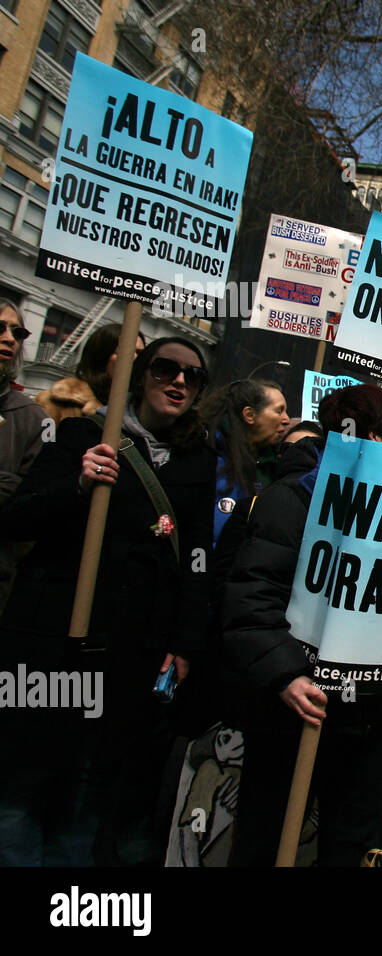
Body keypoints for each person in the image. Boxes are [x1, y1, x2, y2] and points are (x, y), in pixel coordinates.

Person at [0, 336, 215, 865]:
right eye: (166, 369)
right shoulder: (83, 434)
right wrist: (77, 483)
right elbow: (16, 518)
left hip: (130, 659)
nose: (179, 382)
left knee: (87, 798)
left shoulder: (197, 462)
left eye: (192, 376)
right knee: (23, 792)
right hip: (55, 644)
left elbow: (196, 561)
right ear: (141, 376)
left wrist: (183, 643)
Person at [221, 384, 382, 866]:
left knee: (348, 843)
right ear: (370, 436)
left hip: (363, 715)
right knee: (267, 836)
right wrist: (286, 675)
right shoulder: (293, 500)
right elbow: (251, 597)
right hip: (294, 710)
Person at [198, 379, 290, 543]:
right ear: (249, 415)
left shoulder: (273, 468)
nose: (286, 420)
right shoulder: (205, 454)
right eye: (279, 411)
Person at [0, 300, 47, 612]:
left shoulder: (33, 418)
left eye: (18, 332)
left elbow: (32, 503)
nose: (10, 338)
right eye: (0, 328)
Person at [34, 322, 146, 427]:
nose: (135, 358)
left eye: (140, 353)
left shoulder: (143, 413)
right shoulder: (52, 404)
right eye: (125, 351)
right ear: (101, 356)